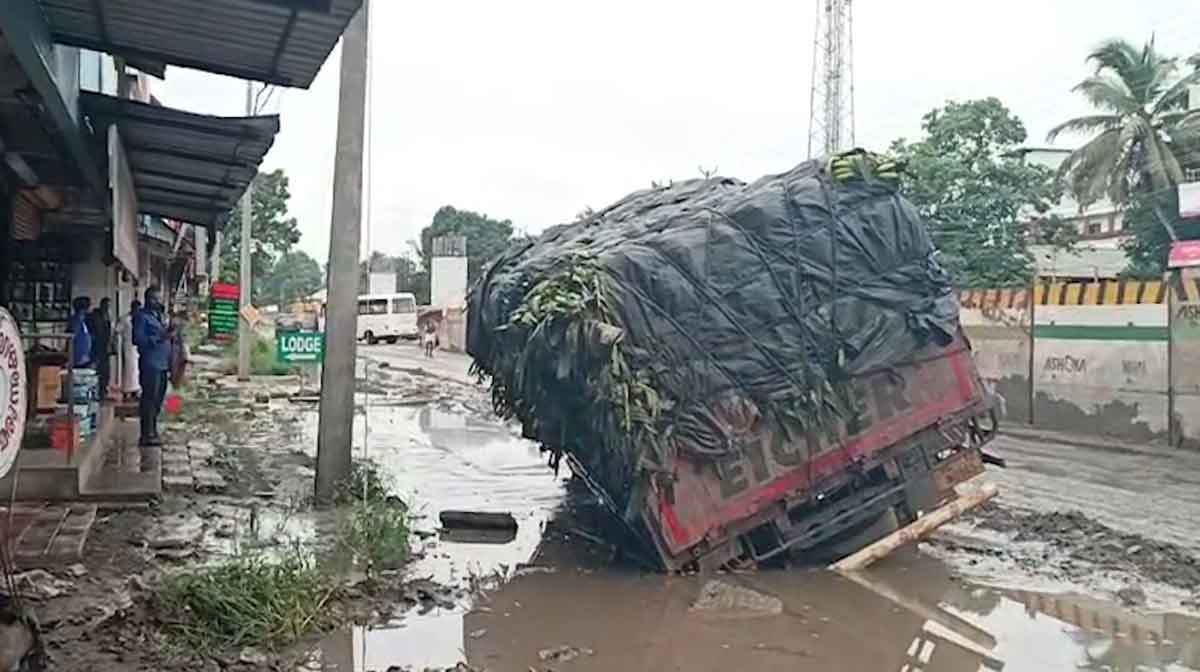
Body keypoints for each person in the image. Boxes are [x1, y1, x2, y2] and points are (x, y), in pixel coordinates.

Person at [134, 287, 172, 447]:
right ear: (147, 299)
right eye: (154, 299)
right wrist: (159, 338)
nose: (157, 302)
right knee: (149, 399)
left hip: (163, 364)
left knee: (158, 399)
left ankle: (153, 430)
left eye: (159, 299)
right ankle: (146, 434)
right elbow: (137, 339)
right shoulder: (142, 317)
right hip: (150, 363)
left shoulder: (159, 316)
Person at [87, 298, 114, 399]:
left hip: (105, 348)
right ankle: (97, 391)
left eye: (109, 306)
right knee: (97, 370)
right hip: (96, 347)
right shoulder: (94, 316)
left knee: (105, 371)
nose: (107, 308)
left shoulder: (108, 316)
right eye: (106, 306)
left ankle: (103, 390)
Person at [68, 297, 93, 369]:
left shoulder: (83, 320)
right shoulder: (76, 321)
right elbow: (72, 337)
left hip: (85, 356)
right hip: (79, 357)